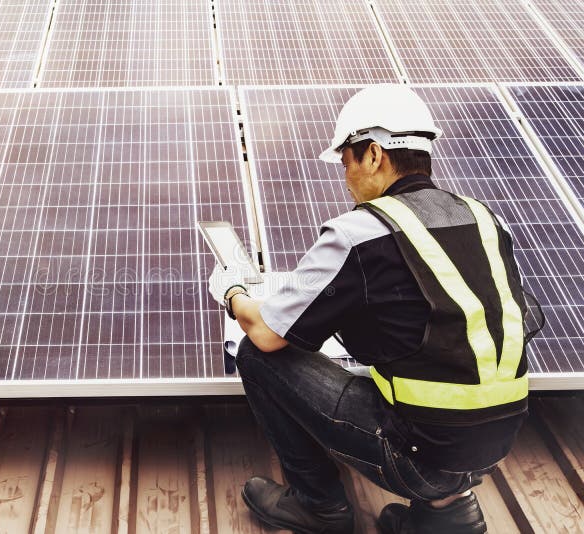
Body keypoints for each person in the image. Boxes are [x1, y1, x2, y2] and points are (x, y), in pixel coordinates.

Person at [208, 84, 541, 534]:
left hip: (414, 458)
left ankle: (318, 506)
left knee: (255, 353)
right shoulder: (484, 219)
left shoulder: (358, 233)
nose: (346, 178)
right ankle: (450, 513)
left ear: (373, 154)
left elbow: (267, 333)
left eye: (346, 162)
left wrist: (232, 291)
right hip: (497, 444)